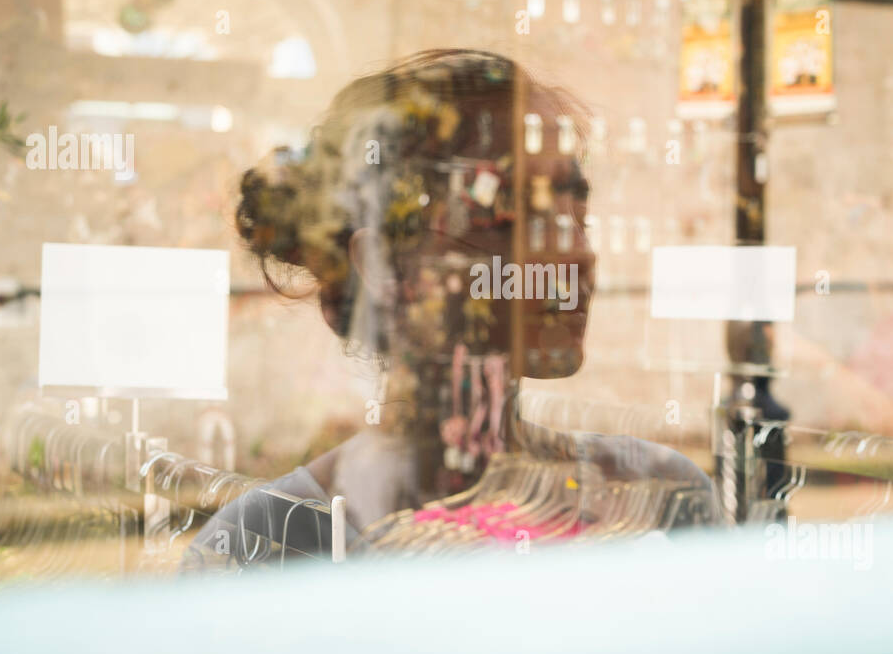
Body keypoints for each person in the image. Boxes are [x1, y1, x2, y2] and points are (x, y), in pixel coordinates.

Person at [185, 49, 714, 569]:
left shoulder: (663, 503)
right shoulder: (268, 545)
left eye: (576, 214)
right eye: (513, 216)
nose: (575, 254)